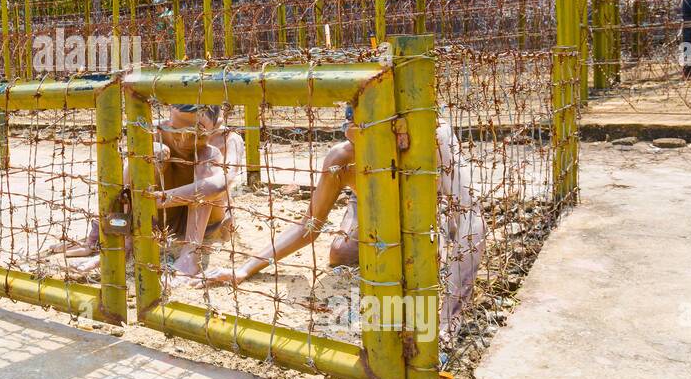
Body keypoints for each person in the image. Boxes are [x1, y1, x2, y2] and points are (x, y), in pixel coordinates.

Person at [203, 106, 486, 340]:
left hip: (426, 208)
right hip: (374, 200)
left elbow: (472, 220)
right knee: (340, 253)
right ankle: (358, 202)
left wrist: (448, 319)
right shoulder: (343, 156)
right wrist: (244, 269)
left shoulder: (435, 138)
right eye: (354, 134)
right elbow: (308, 226)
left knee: (427, 249)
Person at [45, 103, 246, 281]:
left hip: (209, 222)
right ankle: (124, 244)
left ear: (216, 124)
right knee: (151, 152)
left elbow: (219, 184)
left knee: (208, 156)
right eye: (175, 128)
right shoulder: (157, 129)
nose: (181, 139)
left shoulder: (228, 139)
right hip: (163, 222)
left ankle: (190, 254)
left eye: (195, 131)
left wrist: (158, 200)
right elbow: (123, 186)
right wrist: (98, 234)